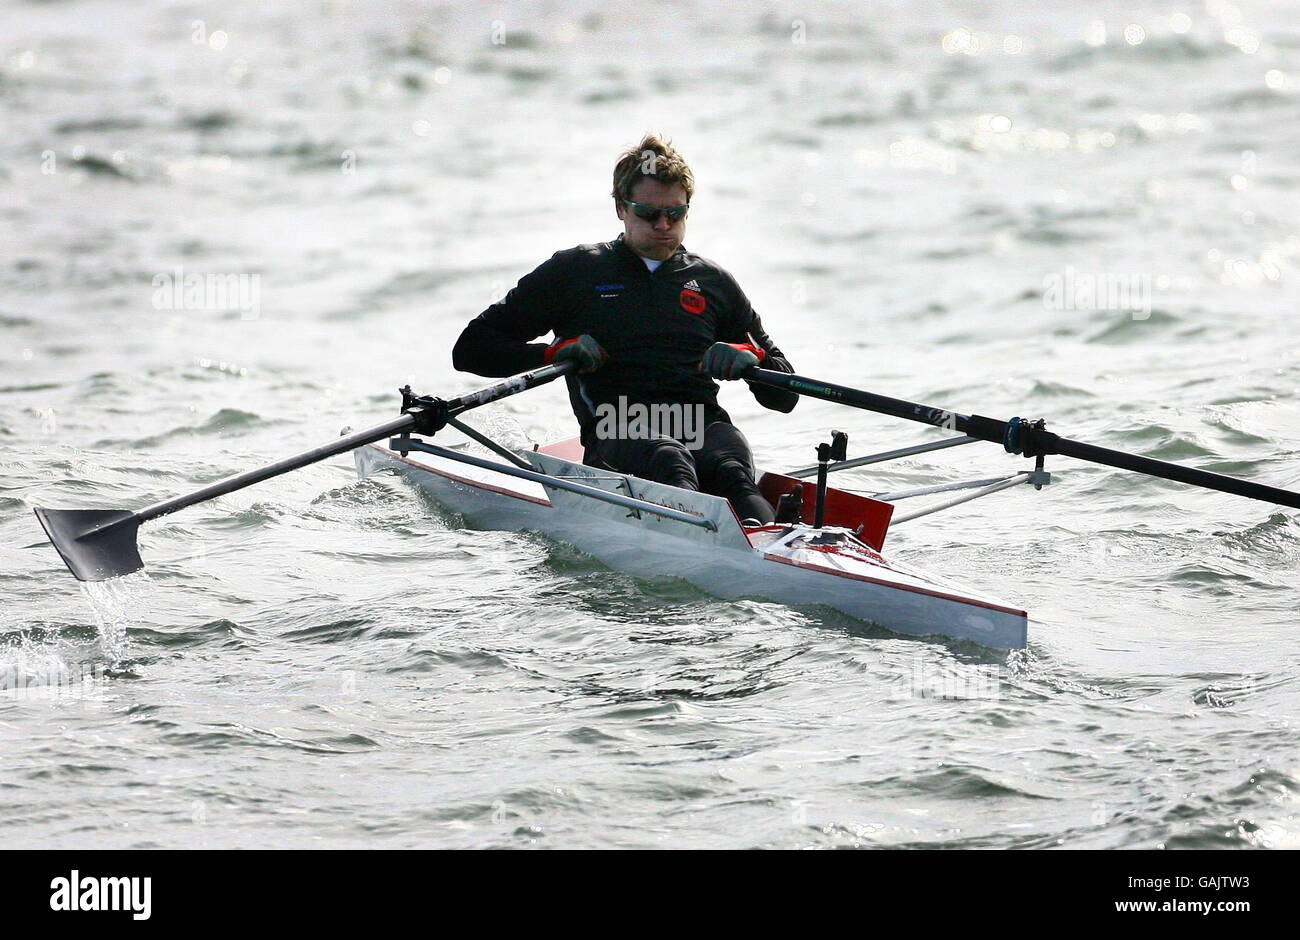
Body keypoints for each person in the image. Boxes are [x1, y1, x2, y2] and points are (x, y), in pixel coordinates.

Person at [452, 134, 797, 524]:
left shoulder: (714, 282)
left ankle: (775, 543)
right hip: (617, 425)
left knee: (733, 475)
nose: (664, 225)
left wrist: (752, 357)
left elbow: (785, 397)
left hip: (702, 423)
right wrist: (551, 353)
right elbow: (470, 349)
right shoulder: (575, 271)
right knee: (670, 461)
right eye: (649, 214)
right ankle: (721, 540)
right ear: (620, 208)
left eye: (676, 214)